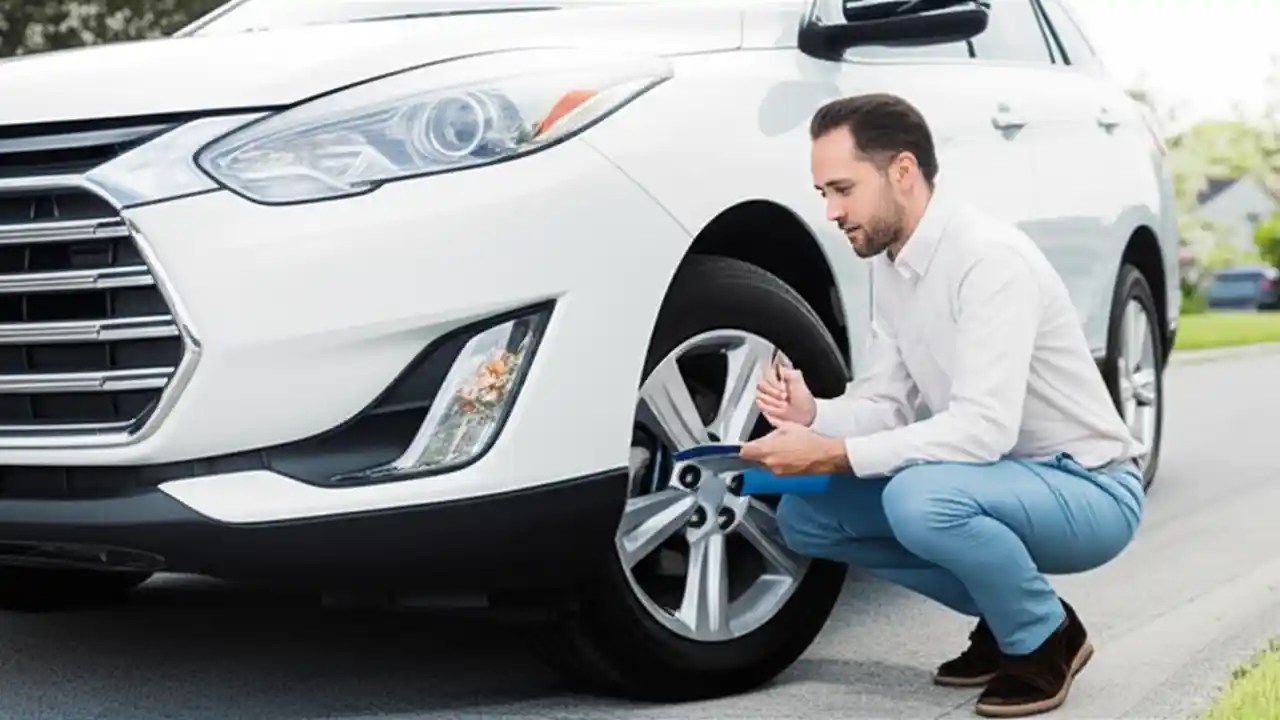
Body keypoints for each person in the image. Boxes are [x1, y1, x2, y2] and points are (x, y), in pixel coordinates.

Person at [738, 93, 1146, 718]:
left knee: (920, 500)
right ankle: (1007, 612)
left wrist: (834, 452)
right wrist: (815, 414)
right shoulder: (896, 266)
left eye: (843, 189)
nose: (830, 211)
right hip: (994, 480)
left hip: (1089, 488)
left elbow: (983, 430)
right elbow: (888, 405)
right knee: (806, 517)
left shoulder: (989, 260)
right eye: (823, 192)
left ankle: (1041, 639)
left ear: (902, 171)